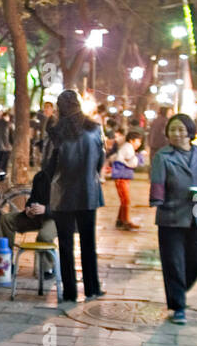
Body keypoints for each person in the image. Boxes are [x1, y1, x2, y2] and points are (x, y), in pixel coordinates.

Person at [149, 113, 197, 323]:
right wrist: (157, 200)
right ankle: (178, 305)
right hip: (171, 214)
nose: (177, 134)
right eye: (173, 130)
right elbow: (158, 182)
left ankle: (178, 289)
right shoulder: (163, 156)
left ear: (190, 132)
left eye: (181, 129)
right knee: (173, 262)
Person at [40, 89, 106, 302]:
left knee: (66, 245)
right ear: (79, 105)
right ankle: (92, 288)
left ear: (60, 108)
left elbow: (47, 167)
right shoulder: (95, 129)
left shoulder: (56, 133)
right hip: (89, 192)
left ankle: (69, 292)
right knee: (89, 243)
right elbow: (100, 161)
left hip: (63, 194)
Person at [107, 129, 139, 230]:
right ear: (132, 140)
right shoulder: (128, 148)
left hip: (122, 177)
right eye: (138, 141)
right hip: (122, 177)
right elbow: (133, 163)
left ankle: (120, 220)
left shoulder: (127, 147)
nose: (139, 143)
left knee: (124, 200)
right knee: (126, 200)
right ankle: (125, 221)